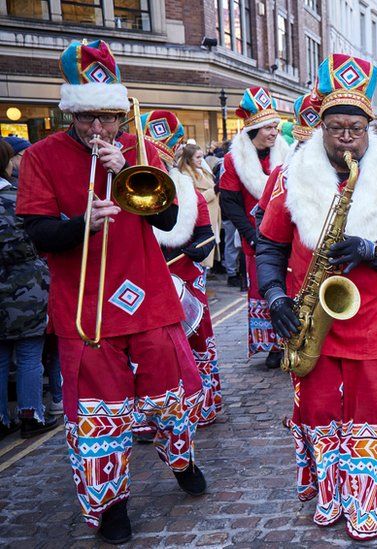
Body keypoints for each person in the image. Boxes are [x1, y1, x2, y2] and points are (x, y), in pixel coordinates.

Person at [15, 39, 205, 544]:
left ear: (123, 114)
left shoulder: (141, 149)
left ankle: (182, 461)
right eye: (87, 118)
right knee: (99, 417)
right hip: (86, 310)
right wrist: (81, 226)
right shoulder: (40, 157)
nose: (98, 128)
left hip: (149, 300)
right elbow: (36, 233)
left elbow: (169, 219)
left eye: (108, 117)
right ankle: (111, 505)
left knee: (169, 402)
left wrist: (126, 170)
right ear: (70, 114)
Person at [256, 53, 377, 540]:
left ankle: (365, 501)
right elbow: (269, 245)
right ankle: (330, 496)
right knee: (319, 411)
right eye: (335, 127)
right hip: (312, 319)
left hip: (372, 318)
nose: (346, 136)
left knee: (370, 414)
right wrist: (275, 297)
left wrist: (372, 249)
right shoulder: (289, 177)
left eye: (356, 127)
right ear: (320, 127)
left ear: (369, 129)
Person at [143, 111, 221, 427]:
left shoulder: (189, 192)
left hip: (185, 277)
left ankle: (200, 406)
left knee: (195, 337)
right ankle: (151, 415)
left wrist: (194, 250)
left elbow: (205, 236)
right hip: (144, 280)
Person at [219, 86, 289, 368]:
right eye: (268, 128)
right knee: (263, 290)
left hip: (286, 235)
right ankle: (272, 345)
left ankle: (292, 341)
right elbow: (229, 203)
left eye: (275, 127)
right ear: (254, 130)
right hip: (255, 238)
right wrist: (252, 236)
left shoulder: (285, 154)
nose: (274, 133)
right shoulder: (233, 160)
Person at [0, 138, 59, 440]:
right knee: (28, 354)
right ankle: (31, 413)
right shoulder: (16, 197)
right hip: (27, 284)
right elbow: (46, 233)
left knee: (1, 356)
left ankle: (1, 418)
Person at [178, 143, 220, 268]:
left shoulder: (202, 171)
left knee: (208, 248)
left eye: (202, 156)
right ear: (189, 158)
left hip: (211, 215)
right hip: (201, 218)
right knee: (201, 256)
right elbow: (193, 199)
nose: (201, 160)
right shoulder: (185, 175)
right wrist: (214, 190)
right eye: (198, 157)